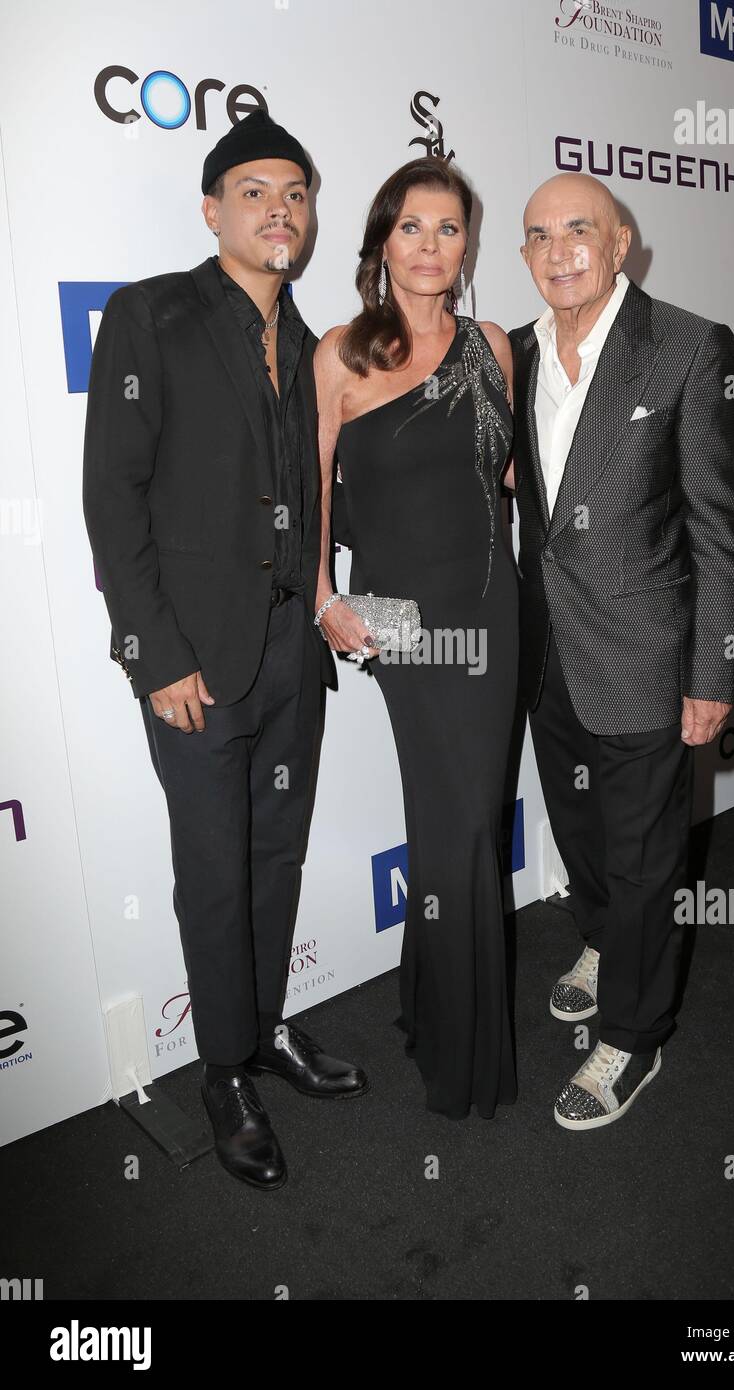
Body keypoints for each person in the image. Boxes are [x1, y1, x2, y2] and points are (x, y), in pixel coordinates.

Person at [82, 109, 368, 1193]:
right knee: (212, 874)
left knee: (272, 859)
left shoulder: (311, 341)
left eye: (294, 193)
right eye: (254, 191)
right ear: (213, 210)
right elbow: (112, 493)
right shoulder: (149, 315)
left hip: (293, 655)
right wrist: (154, 654)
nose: (277, 209)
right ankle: (223, 1074)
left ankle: (262, 1031)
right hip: (193, 660)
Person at [509, 172, 734, 1130]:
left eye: (580, 229)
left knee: (650, 859)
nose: (559, 248)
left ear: (622, 243)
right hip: (546, 651)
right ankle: (607, 939)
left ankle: (633, 1039)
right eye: (538, 235)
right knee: (581, 835)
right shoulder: (514, 354)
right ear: (522, 255)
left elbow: (722, 529)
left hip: (647, 652)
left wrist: (713, 670)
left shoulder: (688, 346)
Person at [313, 157, 519, 1120]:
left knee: (462, 827)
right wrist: (322, 598)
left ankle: (435, 1009)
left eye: (447, 228)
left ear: (466, 244)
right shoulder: (340, 354)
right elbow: (313, 496)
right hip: (398, 619)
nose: (430, 245)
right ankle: (456, 1044)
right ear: (381, 241)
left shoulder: (490, 345)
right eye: (411, 227)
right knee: (456, 827)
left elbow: (505, 479)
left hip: (491, 610)